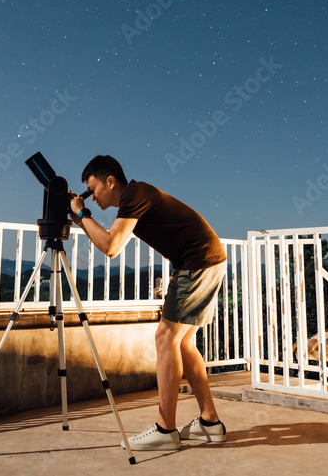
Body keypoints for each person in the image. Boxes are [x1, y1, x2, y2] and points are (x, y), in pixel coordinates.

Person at [69, 155, 228, 451]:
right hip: (205, 259)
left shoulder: (135, 194)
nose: (92, 197)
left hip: (198, 261)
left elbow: (111, 246)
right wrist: (81, 215)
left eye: (93, 190)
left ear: (110, 181)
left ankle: (165, 429)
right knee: (183, 343)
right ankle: (210, 423)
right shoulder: (135, 195)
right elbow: (109, 240)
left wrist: (81, 214)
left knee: (165, 337)